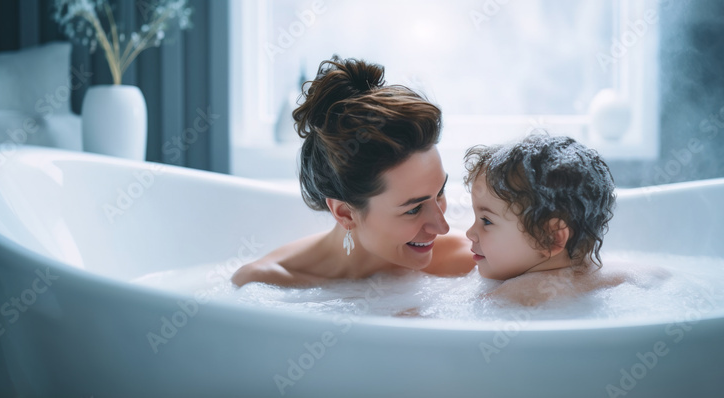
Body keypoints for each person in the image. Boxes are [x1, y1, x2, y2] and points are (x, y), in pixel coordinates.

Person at [232, 56, 474, 287]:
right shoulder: (267, 286)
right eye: (413, 208)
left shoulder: (470, 263)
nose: (442, 226)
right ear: (345, 213)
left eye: (439, 193)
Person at [464, 133, 668, 306]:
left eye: (486, 221)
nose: (470, 233)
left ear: (550, 237)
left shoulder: (516, 296)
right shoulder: (629, 274)